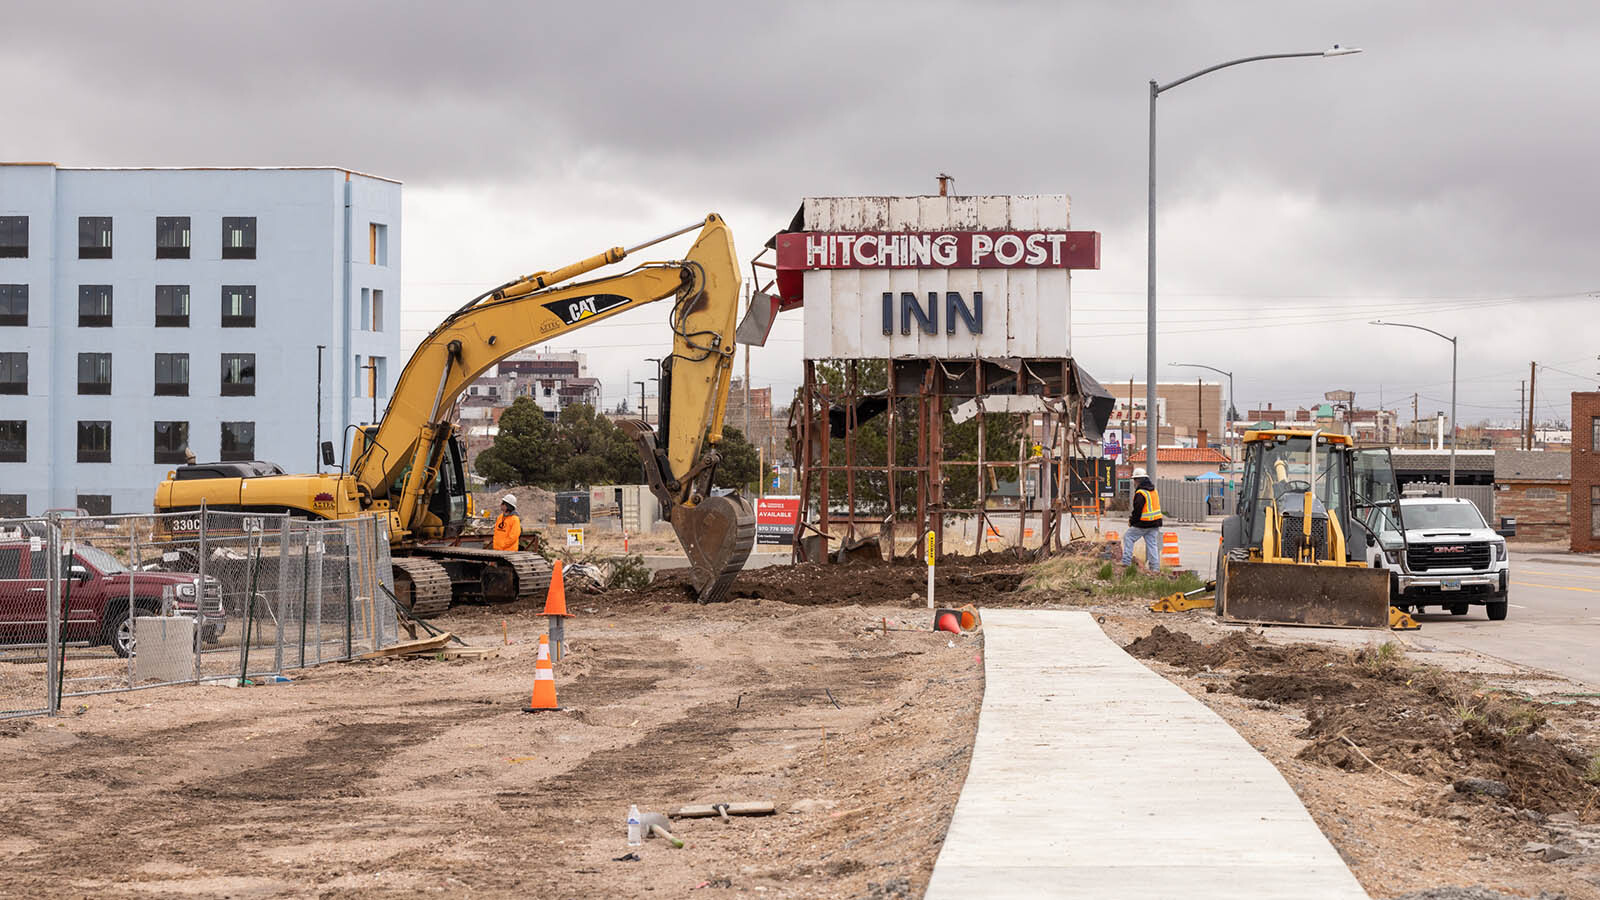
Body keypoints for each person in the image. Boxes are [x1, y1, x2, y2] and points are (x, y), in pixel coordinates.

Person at [1121, 469, 1163, 570]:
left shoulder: (1140, 493)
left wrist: (1132, 521)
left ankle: (1126, 562)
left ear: (1138, 480)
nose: (1134, 483)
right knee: (1152, 544)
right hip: (1155, 523)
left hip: (1143, 523)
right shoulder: (1153, 490)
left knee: (1128, 537)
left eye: (1134, 480)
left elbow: (1137, 510)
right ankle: (1155, 568)